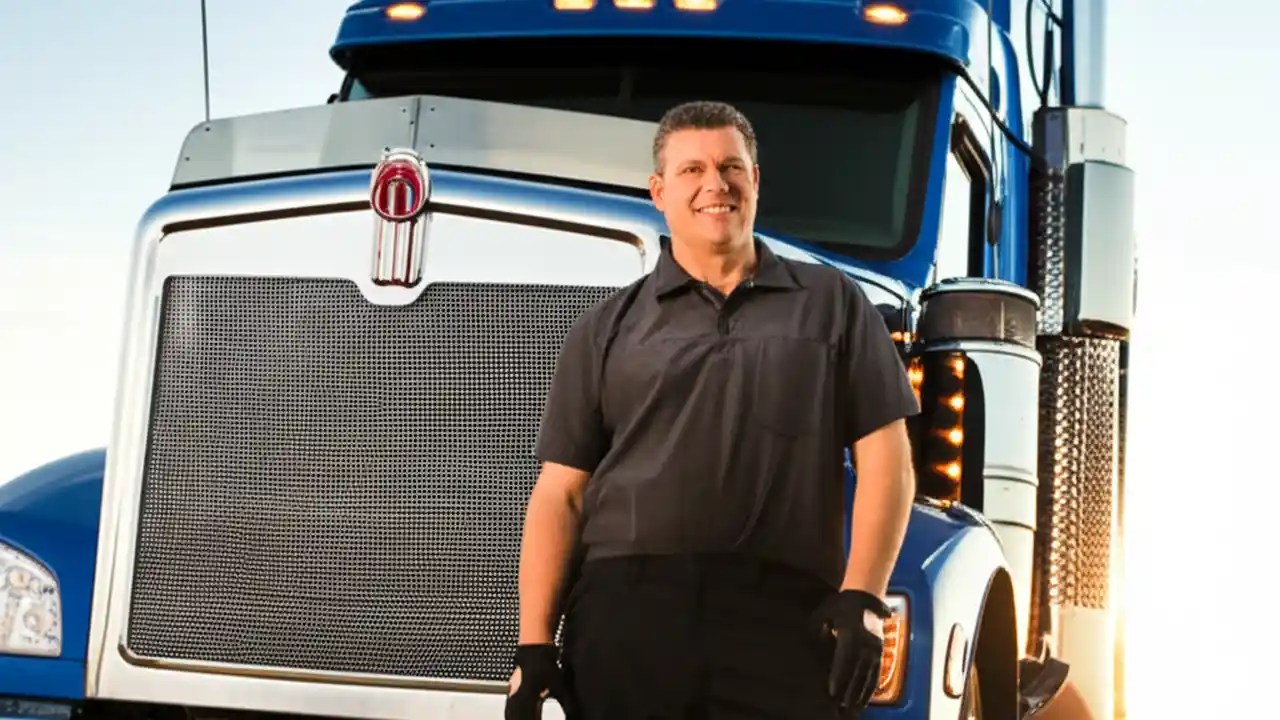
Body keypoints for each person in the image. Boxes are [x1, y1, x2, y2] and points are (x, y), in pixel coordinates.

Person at [504, 100, 919, 720]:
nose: (714, 184)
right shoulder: (607, 327)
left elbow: (888, 461)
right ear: (659, 192)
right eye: (692, 170)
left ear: (756, 181)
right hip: (627, 618)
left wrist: (863, 596)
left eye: (731, 167)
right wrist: (535, 647)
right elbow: (561, 493)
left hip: (785, 623)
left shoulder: (833, 303)